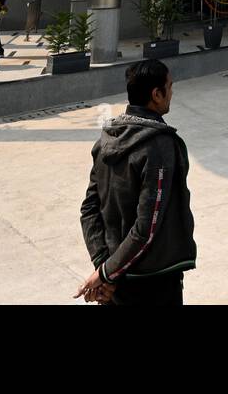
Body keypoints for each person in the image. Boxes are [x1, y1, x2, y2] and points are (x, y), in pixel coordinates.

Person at [77, 59, 197, 306]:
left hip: (115, 280)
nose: (172, 93)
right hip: (154, 282)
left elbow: (89, 211)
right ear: (156, 94)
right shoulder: (160, 147)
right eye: (170, 87)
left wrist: (105, 268)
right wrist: (105, 274)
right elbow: (147, 228)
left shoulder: (106, 141)